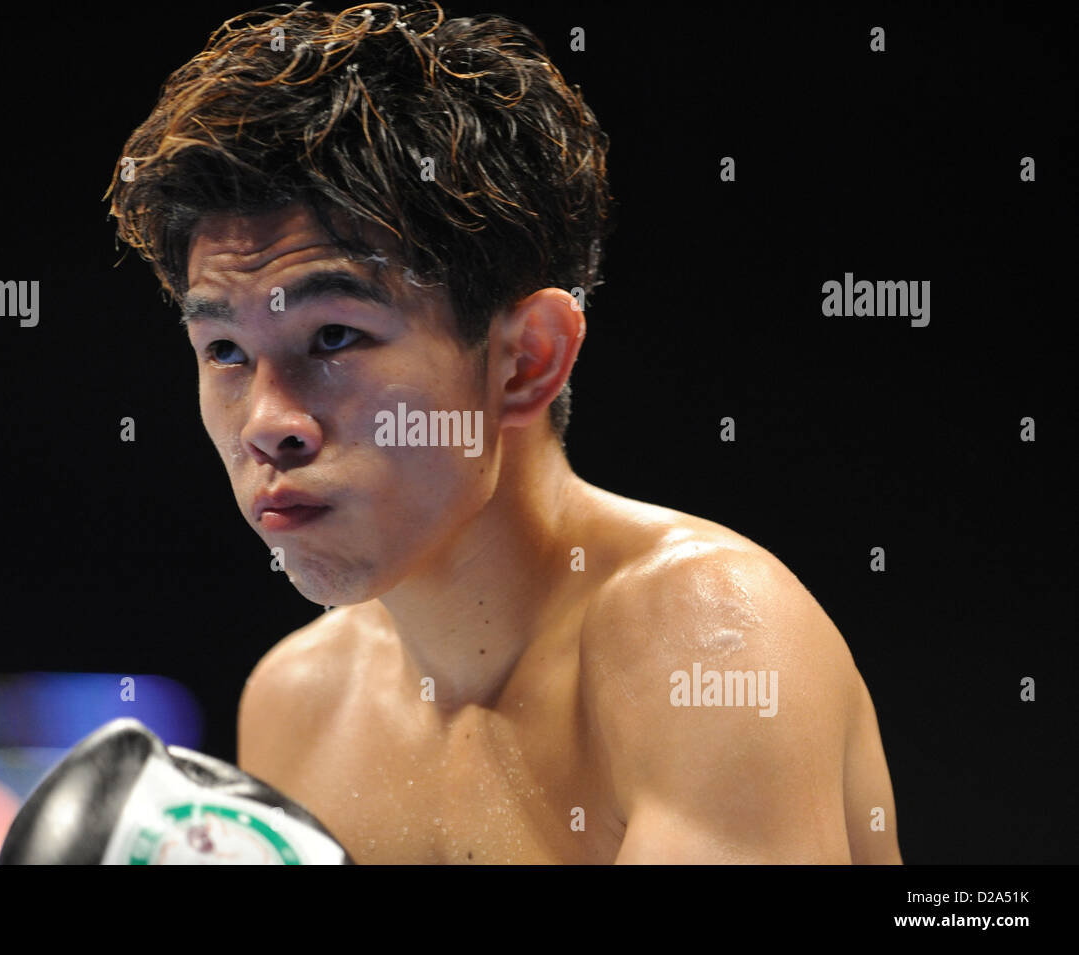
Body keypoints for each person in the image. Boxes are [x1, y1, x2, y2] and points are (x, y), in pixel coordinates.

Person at [105, 1, 902, 864]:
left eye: (334, 336)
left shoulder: (709, 637)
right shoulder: (296, 702)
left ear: (525, 361)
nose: (267, 423)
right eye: (224, 349)